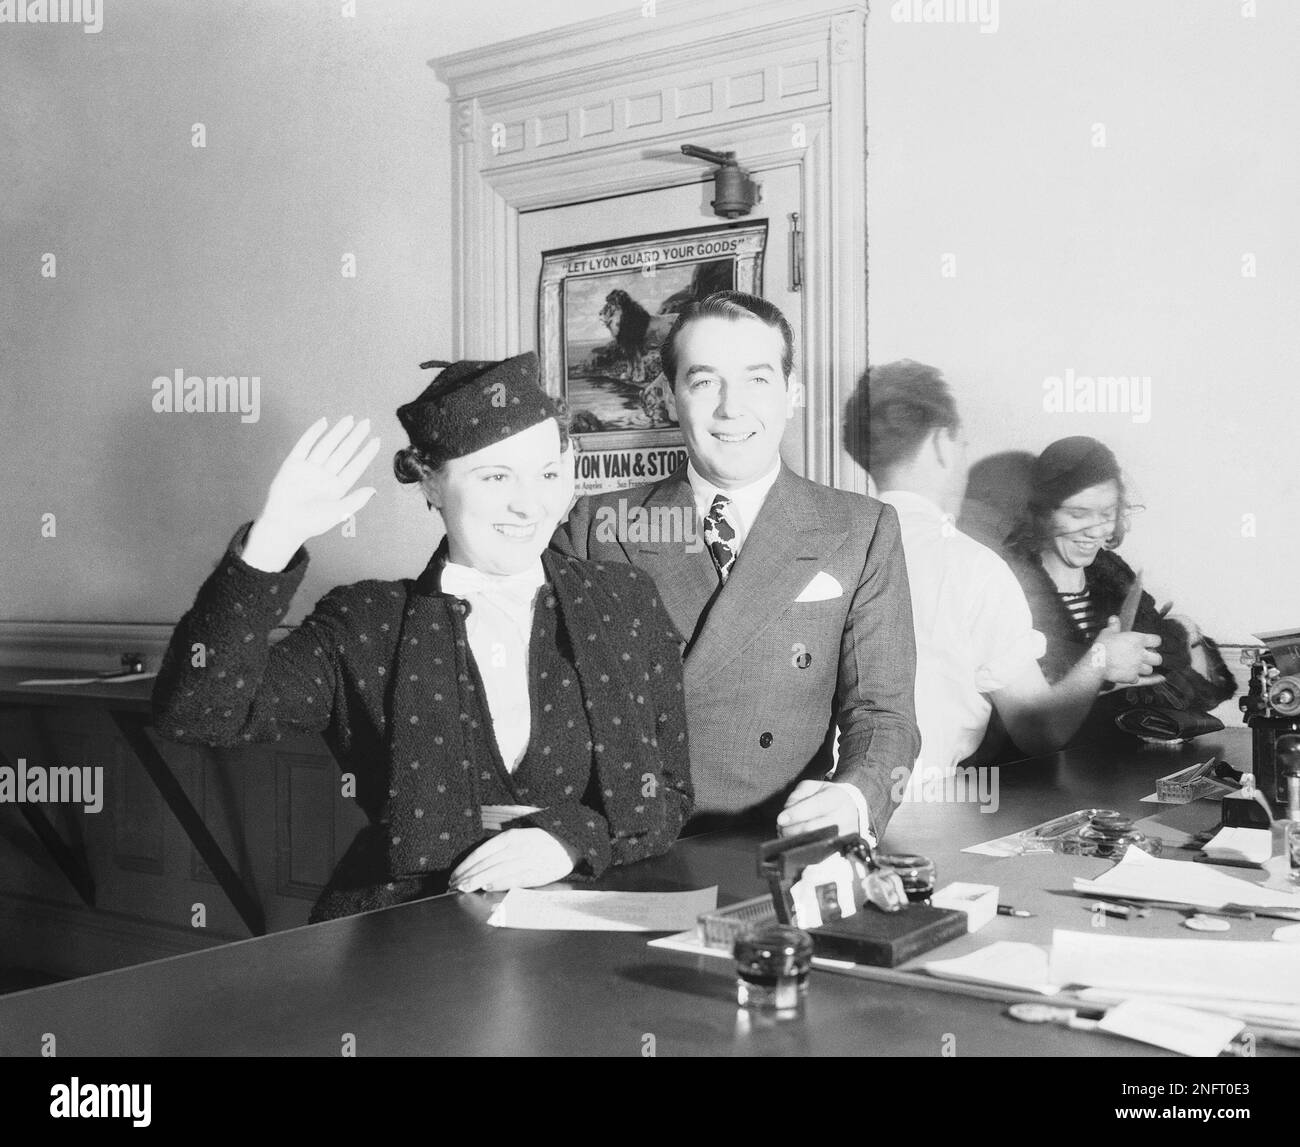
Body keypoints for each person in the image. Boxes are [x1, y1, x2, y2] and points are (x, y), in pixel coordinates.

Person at [152, 353, 693, 922]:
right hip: (409, 935)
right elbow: (197, 713)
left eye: (547, 474)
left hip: (588, 930)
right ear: (432, 485)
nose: (528, 503)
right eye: (494, 476)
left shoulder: (623, 601)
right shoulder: (365, 623)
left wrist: (568, 838)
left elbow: (672, 797)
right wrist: (272, 541)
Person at [557, 291, 919, 843]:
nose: (732, 408)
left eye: (757, 379)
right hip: (621, 844)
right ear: (670, 397)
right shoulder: (596, 524)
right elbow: (534, 701)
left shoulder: (861, 529)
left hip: (779, 844)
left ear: (790, 393)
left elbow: (884, 714)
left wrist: (856, 796)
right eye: (704, 382)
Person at [853, 361, 1163, 777]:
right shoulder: (974, 567)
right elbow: (1040, 729)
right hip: (921, 811)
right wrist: (1101, 659)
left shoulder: (826, 547)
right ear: (943, 444)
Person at [1001, 434, 1236, 743]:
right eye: (1077, 514)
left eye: (1106, 514)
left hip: (1115, 773)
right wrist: (1107, 667)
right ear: (1043, 513)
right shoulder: (1005, 585)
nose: (1096, 531)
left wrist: (1183, 636)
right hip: (1036, 777)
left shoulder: (1113, 574)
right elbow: (1036, 716)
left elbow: (1200, 693)